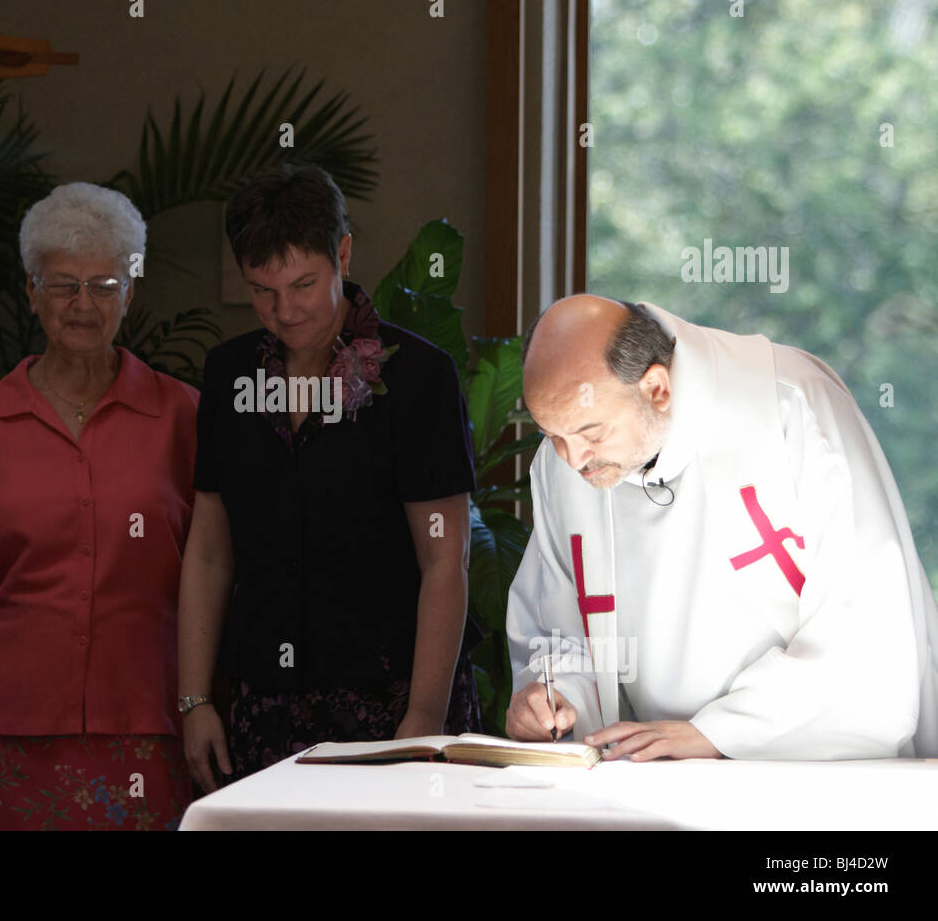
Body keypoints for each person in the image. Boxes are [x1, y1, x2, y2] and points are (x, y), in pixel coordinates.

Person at [504, 294, 938, 760]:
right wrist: (554, 700)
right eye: (552, 435)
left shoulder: (788, 406)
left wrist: (718, 733)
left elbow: (866, 630)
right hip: (657, 776)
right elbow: (558, 628)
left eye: (592, 434)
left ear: (656, 389)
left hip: (803, 772)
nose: (572, 460)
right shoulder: (562, 463)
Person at [180, 163, 480, 791]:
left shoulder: (418, 378)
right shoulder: (229, 372)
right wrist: (194, 700)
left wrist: (423, 718)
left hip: (394, 697)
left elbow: (443, 562)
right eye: (262, 290)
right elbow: (209, 552)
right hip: (264, 700)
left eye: (303, 284)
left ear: (342, 253)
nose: (284, 310)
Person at [0, 182, 198, 830]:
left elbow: (214, 580)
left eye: (105, 285)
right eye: (64, 284)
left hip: (148, 730)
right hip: (4, 735)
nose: (83, 304)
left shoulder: (185, 417)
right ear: (31, 290)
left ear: (131, 291)